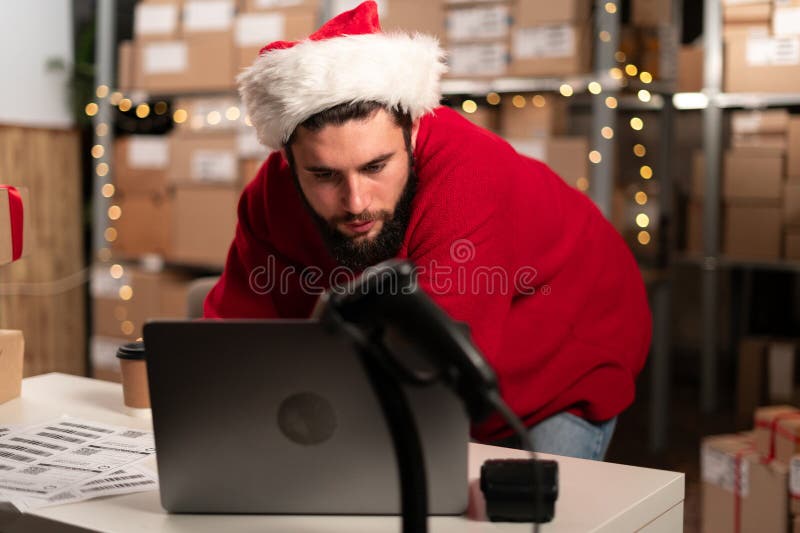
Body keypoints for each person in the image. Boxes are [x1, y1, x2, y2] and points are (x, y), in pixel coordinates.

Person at [205, 1, 651, 460]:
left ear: (413, 130)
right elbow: (235, 331)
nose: (356, 201)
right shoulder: (270, 194)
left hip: (567, 340)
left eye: (376, 166)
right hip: (440, 355)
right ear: (288, 159)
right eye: (324, 175)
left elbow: (432, 374)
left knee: (535, 520)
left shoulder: (470, 175)